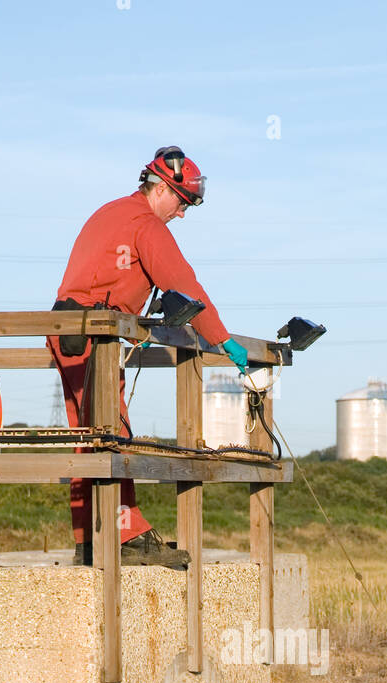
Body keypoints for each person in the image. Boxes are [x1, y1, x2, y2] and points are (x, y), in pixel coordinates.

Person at [47, 146, 249, 566]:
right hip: (92, 336)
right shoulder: (146, 224)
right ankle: (128, 536)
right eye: (181, 202)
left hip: (69, 330)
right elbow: (184, 285)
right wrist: (222, 339)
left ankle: (89, 538)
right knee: (110, 432)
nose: (181, 214)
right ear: (162, 189)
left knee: (86, 437)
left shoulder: (112, 211)